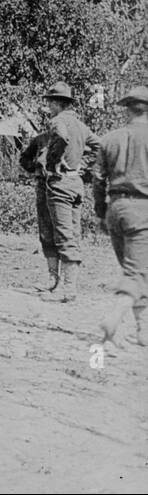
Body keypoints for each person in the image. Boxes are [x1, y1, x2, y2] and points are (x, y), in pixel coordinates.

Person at [19, 82, 97, 299]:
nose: (48, 106)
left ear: (56, 103)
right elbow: (99, 146)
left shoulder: (58, 122)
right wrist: (82, 165)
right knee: (53, 231)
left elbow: (62, 138)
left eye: (50, 102)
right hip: (70, 184)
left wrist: (55, 160)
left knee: (64, 234)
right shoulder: (80, 127)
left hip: (59, 183)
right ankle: (54, 280)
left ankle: (68, 288)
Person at [91, 85, 148, 354]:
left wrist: (101, 212)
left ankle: (142, 330)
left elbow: (97, 178)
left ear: (128, 109)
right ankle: (113, 319)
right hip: (143, 209)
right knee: (137, 272)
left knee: (135, 271)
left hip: (115, 208)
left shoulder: (109, 139)